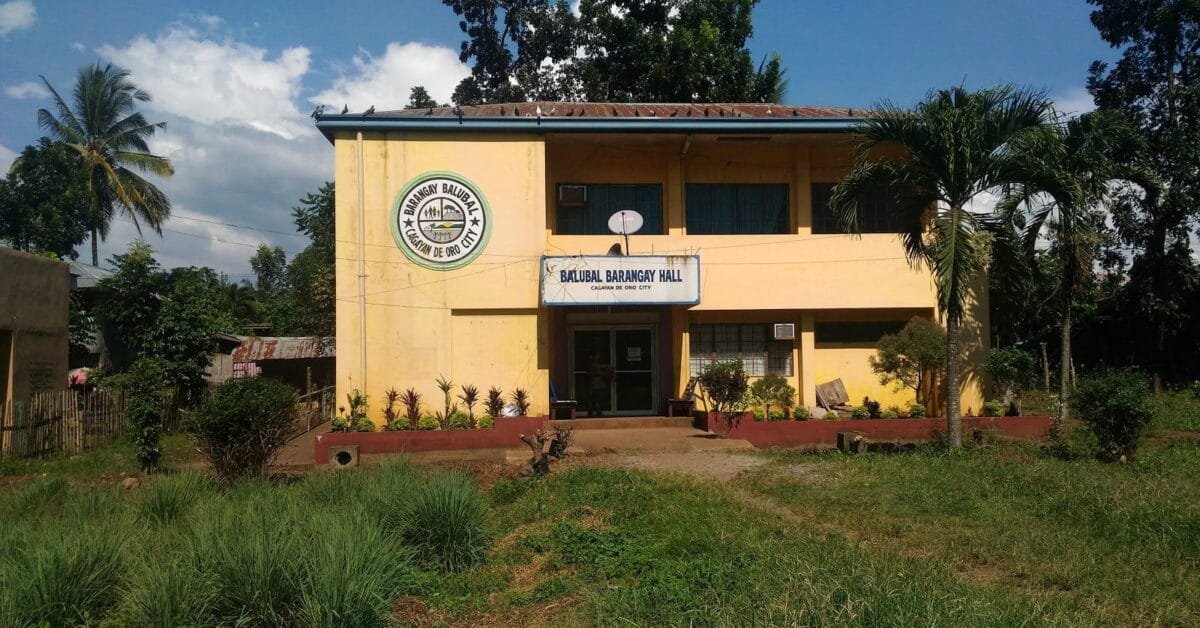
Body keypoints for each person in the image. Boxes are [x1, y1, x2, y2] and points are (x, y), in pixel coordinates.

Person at [586, 349, 612, 417]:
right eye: (597, 355)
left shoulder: (593, 363)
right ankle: (597, 412)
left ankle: (592, 411)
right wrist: (607, 373)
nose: (599, 356)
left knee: (594, 398)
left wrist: (605, 367)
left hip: (595, 383)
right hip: (596, 383)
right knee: (597, 398)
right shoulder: (592, 363)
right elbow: (597, 371)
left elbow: (598, 368)